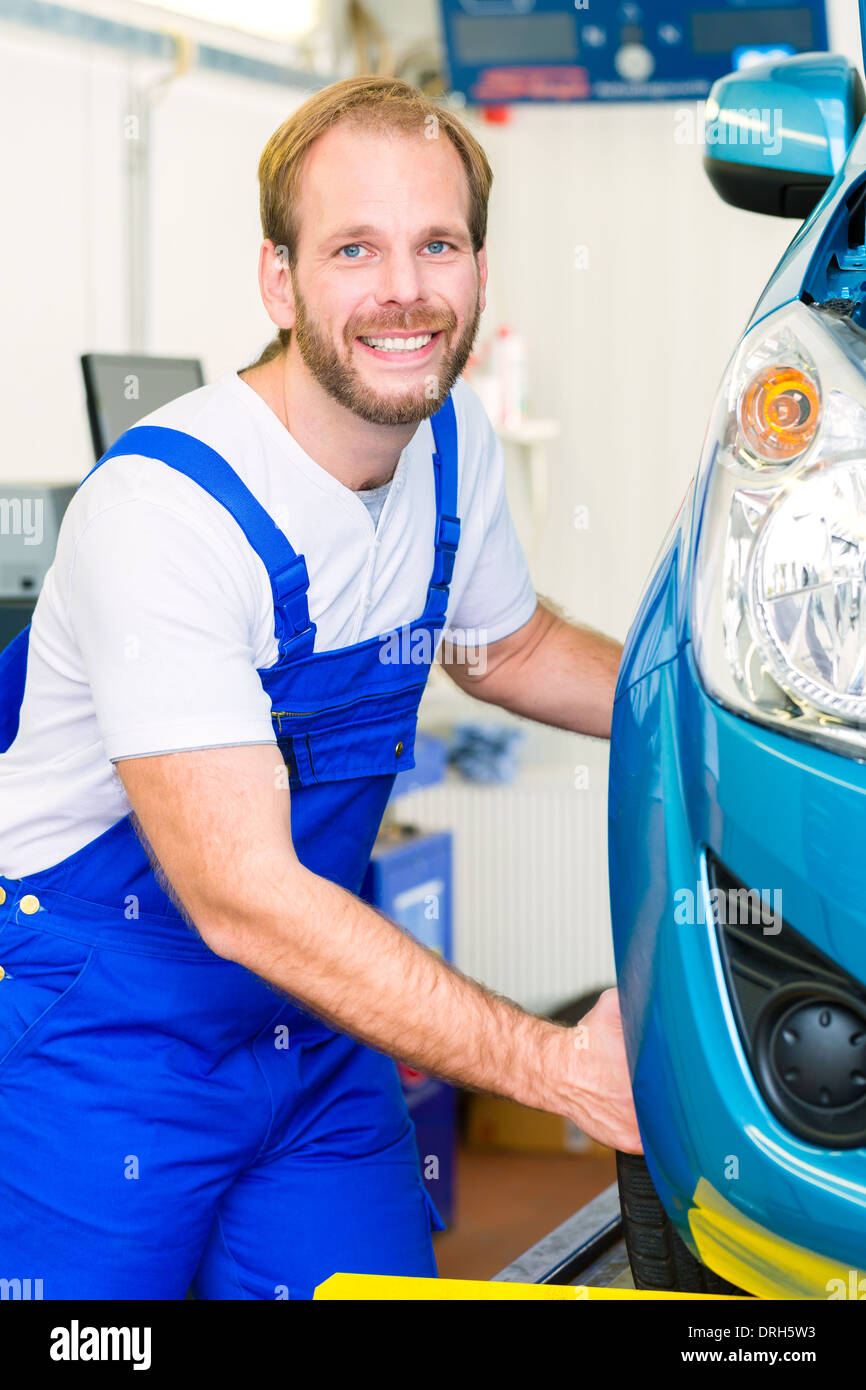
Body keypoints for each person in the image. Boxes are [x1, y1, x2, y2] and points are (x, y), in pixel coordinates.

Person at [0, 75, 640, 1301]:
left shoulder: (451, 444)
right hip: (104, 1038)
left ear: (480, 272)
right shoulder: (166, 512)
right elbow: (241, 897)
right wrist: (556, 1069)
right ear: (279, 281)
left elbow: (499, 650)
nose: (403, 288)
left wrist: (717, 718)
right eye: (354, 247)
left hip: (309, 1032)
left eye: (435, 243)